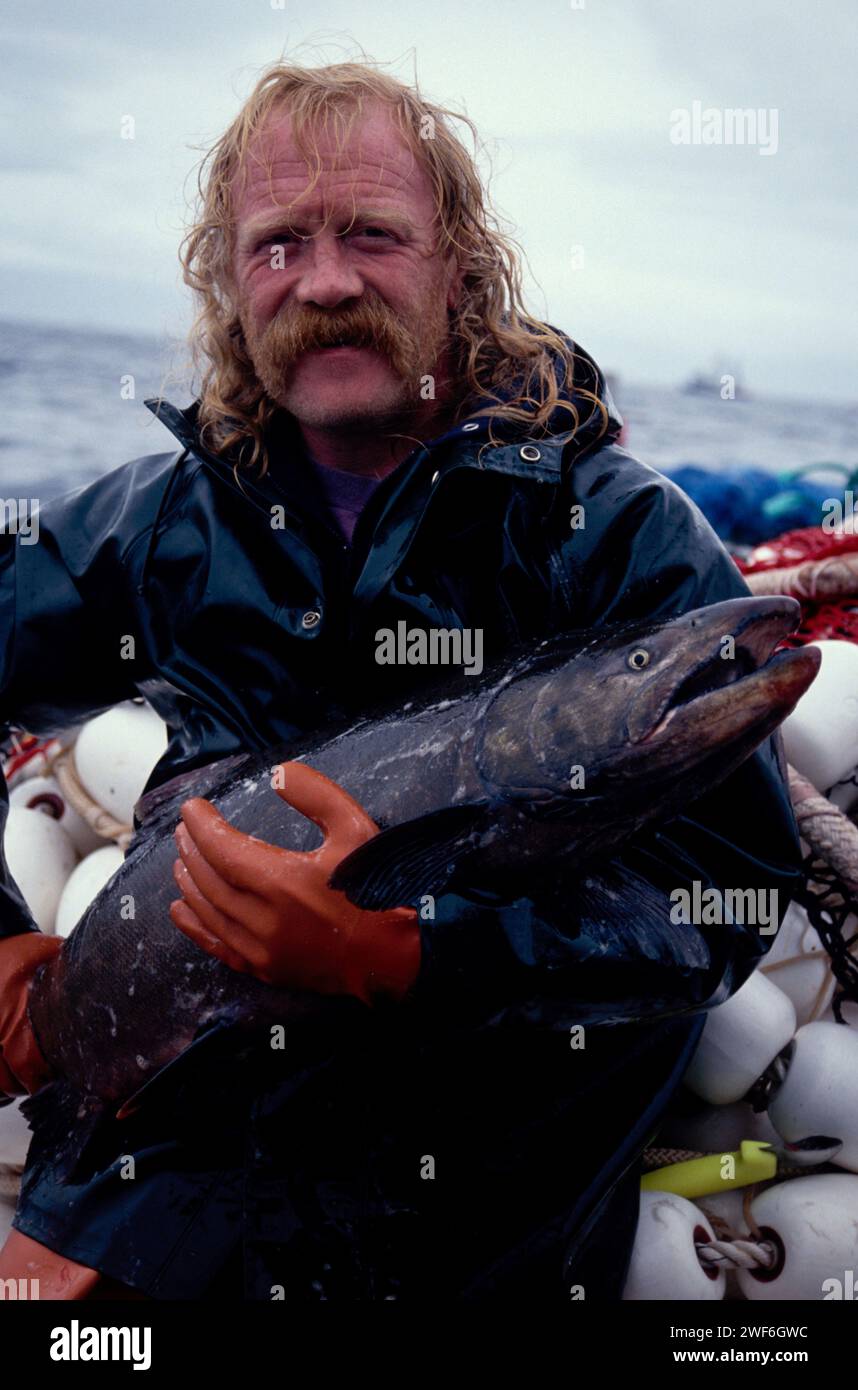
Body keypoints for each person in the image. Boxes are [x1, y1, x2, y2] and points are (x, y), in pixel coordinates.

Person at [0, 59, 802, 1301]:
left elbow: (735, 894)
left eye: (372, 233)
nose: (323, 281)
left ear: (460, 266)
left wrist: (417, 954)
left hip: (503, 1097)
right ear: (230, 280)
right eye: (278, 245)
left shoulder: (620, 534)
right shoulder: (159, 525)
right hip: (202, 1077)